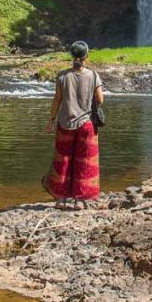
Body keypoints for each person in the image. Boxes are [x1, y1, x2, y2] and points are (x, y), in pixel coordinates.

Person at [42, 41, 104, 210]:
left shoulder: (62, 76)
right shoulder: (93, 75)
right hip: (86, 124)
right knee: (84, 162)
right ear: (87, 56)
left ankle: (61, 199)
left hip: (65, 123)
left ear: (71, 56)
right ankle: (80, 200)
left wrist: (52, 119)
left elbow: (57, 99)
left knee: (63, 161)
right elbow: (100, 100)